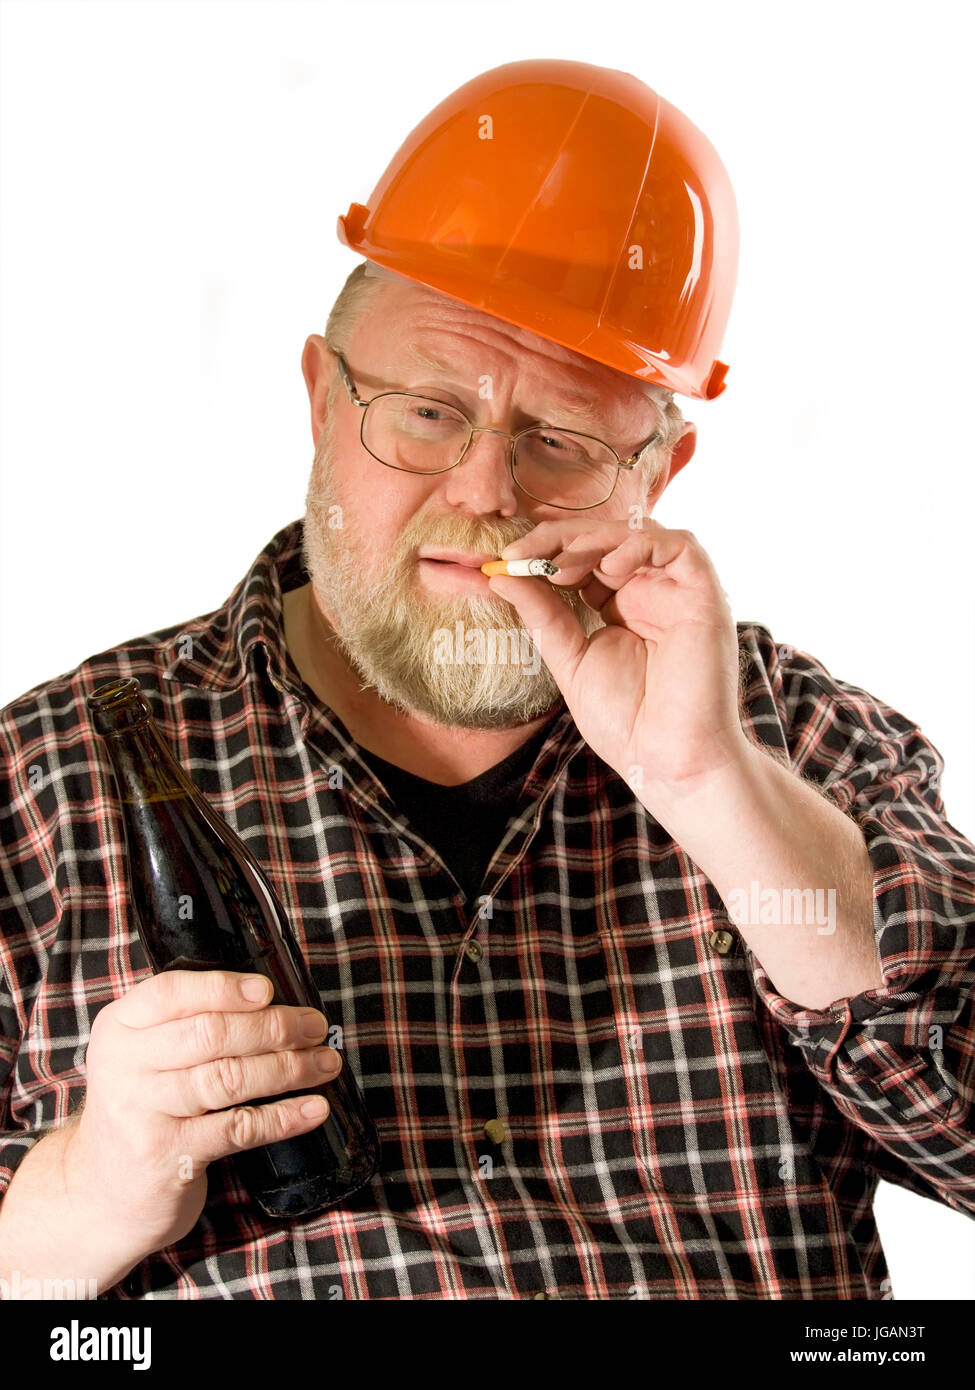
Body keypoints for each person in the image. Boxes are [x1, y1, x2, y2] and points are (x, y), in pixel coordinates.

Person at [0, 59, 972, 1303]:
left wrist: (714, 788)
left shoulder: (800, 748)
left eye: (560, 442)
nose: (484, 492)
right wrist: (83, 1195)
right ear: (319, 401)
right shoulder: (44, 789)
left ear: (656, 478)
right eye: (425, 414)